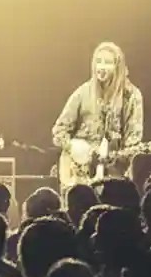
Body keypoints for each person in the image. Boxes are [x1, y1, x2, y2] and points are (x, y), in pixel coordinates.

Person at [52, 41, 144, 183]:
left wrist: (116, 157)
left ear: (117, 66)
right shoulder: (82, 93)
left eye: (107, 62)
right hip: (79, 175)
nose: (101, 67)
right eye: (98, 62)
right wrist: (74, 147)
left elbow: (133, 140)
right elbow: (59, 131)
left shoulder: (131, 96)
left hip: (114, 175)